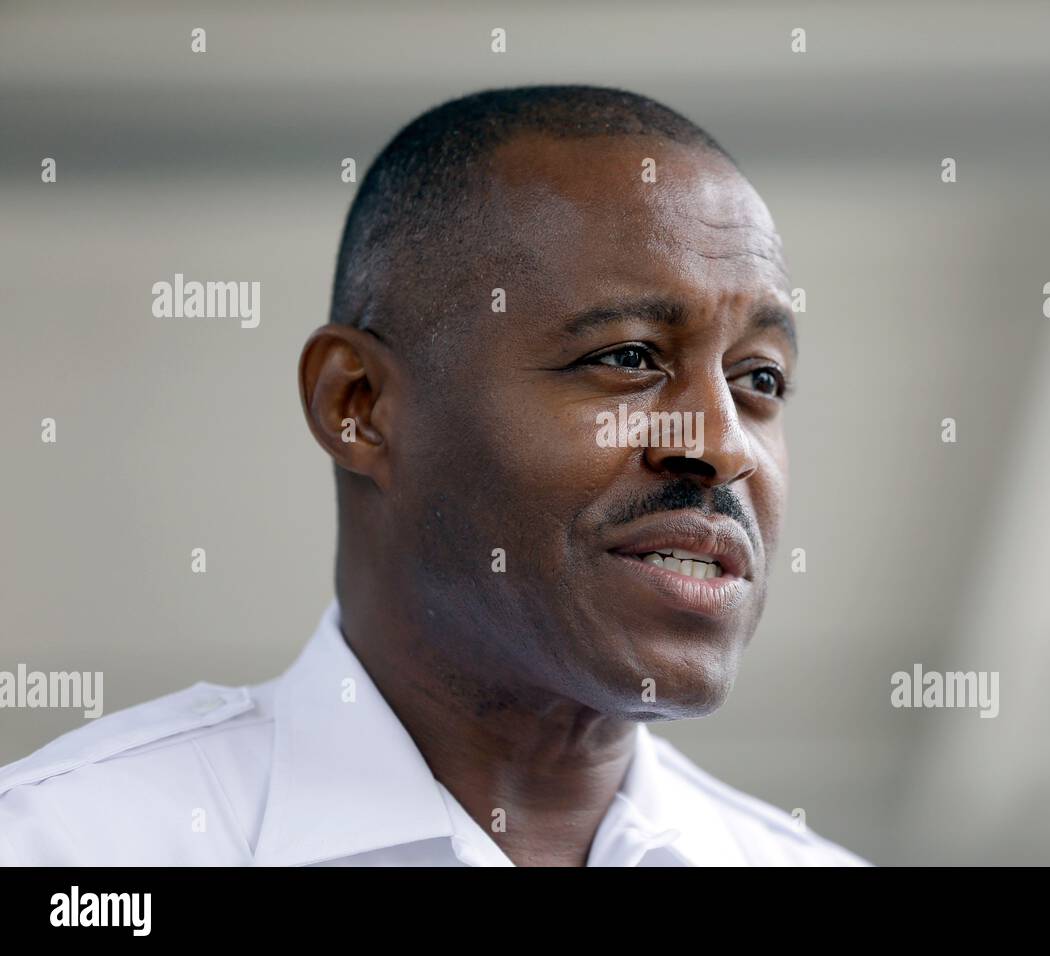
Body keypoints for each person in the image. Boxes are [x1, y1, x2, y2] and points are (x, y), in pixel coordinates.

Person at [0, 85, 867, 867]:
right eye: (628, 356)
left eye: (760, 380)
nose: (724, 446)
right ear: (361, 403)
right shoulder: (63, 847)